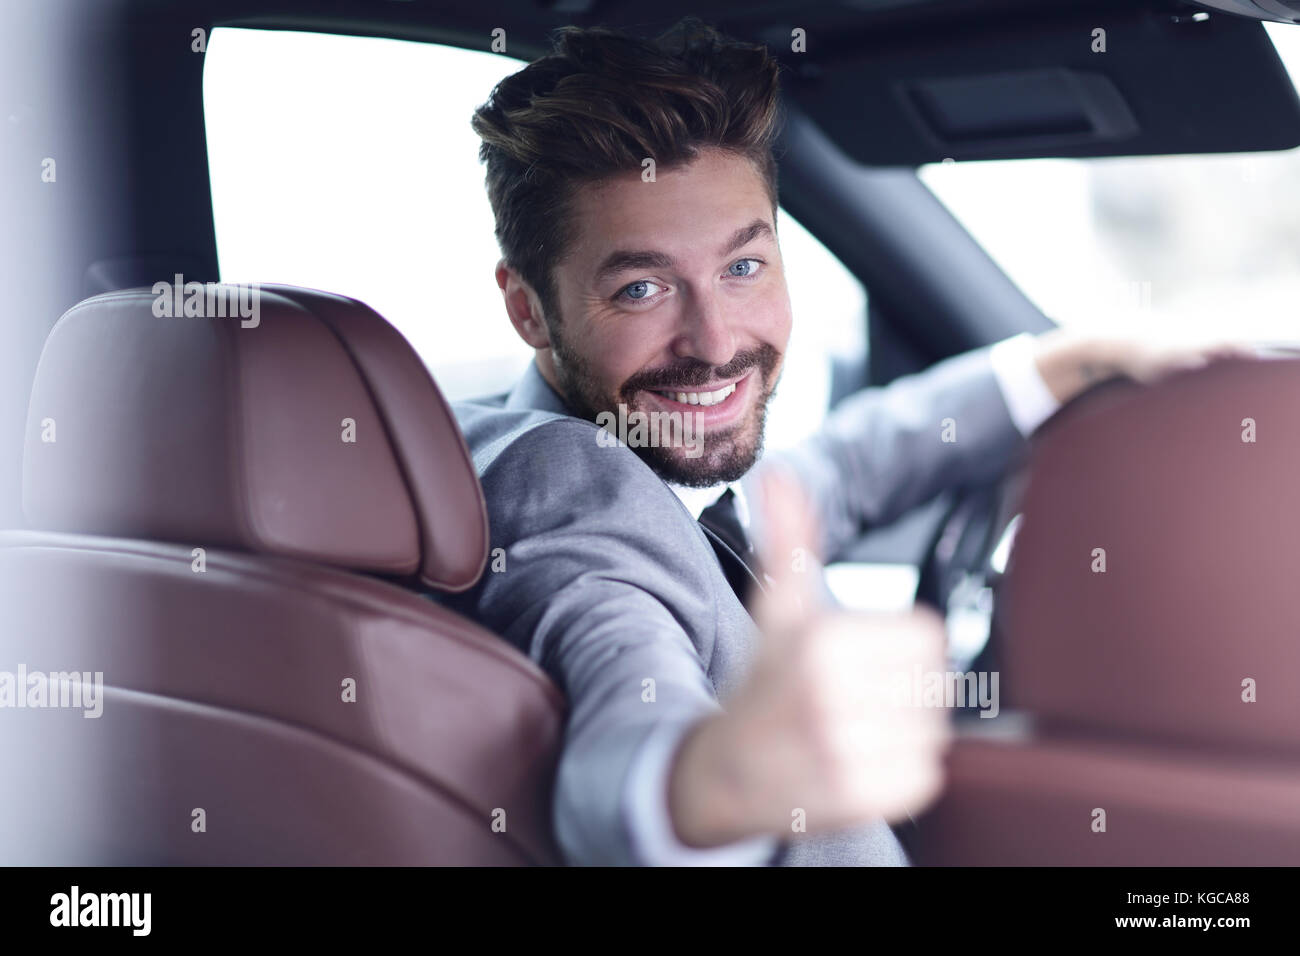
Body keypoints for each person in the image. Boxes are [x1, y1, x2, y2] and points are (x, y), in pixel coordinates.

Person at [437, 17, 1250, 865]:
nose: (716, 342)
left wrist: (1065, 362)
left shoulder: (663, 462)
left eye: (742, 267)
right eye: (641, 288)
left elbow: (833, 474)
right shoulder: (570, 487)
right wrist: (710, 785)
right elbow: (621, 724)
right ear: (528, 308)